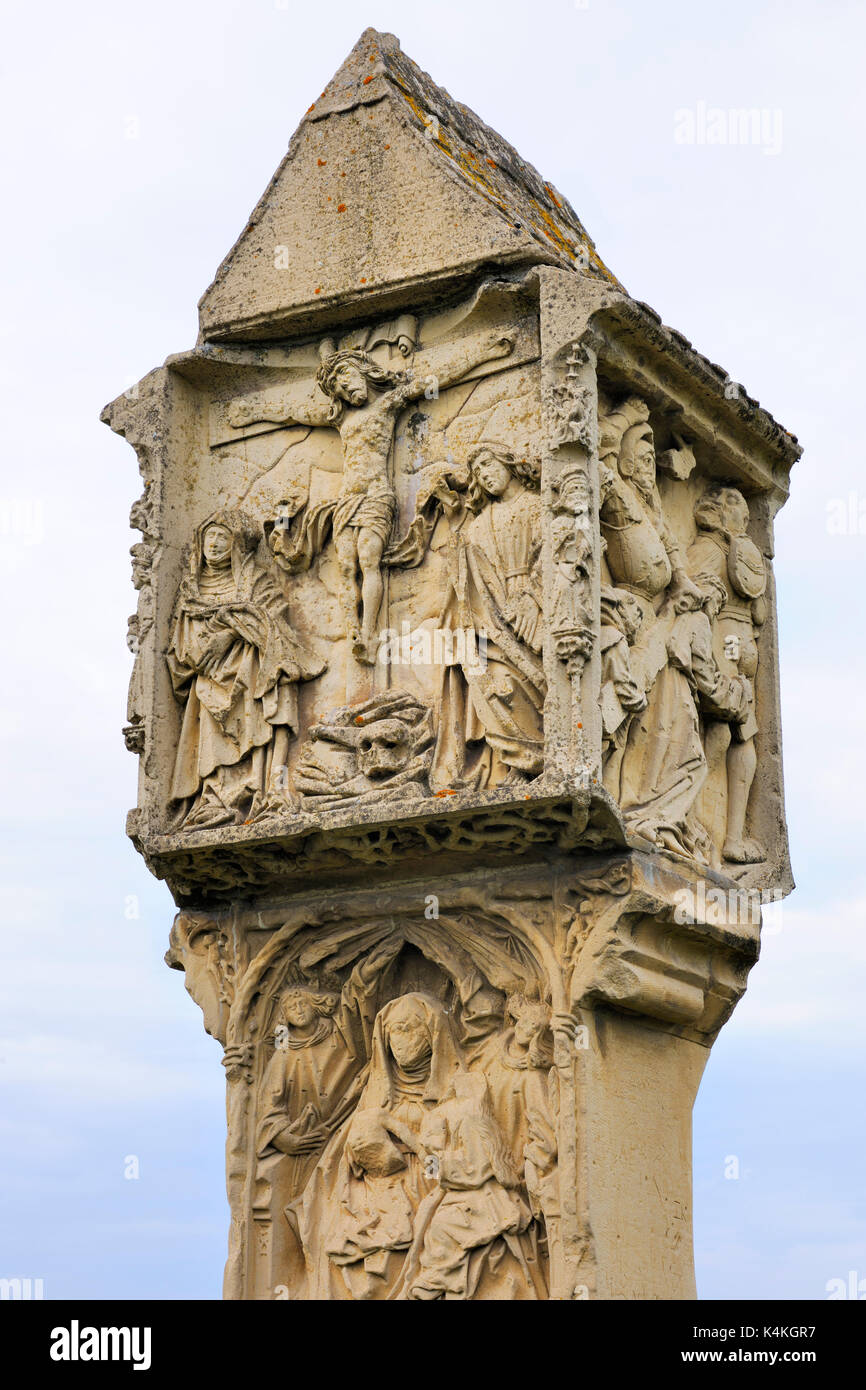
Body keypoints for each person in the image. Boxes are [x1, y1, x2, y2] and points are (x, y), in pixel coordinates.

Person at [166, 510, 324, 827]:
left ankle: (260, 787)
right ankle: (214, 798)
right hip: (209, 676)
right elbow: (179, 643)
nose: (214, 543)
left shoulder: (256, 582)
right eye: (210, 536)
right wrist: (201, 651)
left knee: (268, 696)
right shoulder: (189, 592)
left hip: (250, 671)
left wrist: (231, 633)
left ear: (236, 545)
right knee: (210, 730)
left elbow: (273, 621)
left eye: (222, 537)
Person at [431, 444, 546, 790]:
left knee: (536, 680)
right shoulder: (480, 525)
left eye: (488, 464)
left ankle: (546, 756)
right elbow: (467, 571)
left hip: (533, 604)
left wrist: (532, 597)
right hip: (492, 614)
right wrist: (455, 522)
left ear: (511, 464)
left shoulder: (537, 506)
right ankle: (519, 762)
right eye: (478, 472)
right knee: (495, 684)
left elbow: (552, 553)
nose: (485, 474)